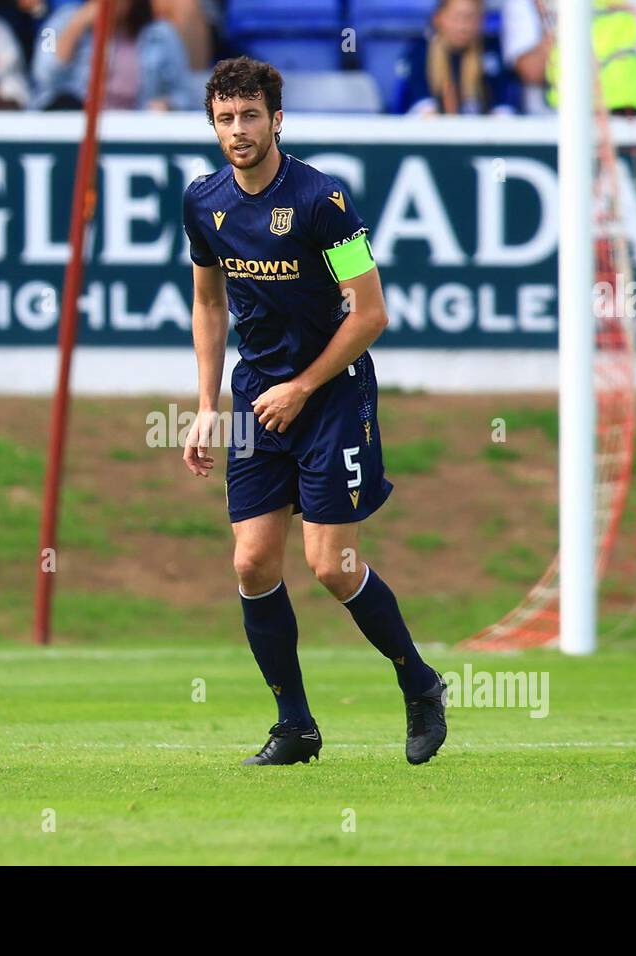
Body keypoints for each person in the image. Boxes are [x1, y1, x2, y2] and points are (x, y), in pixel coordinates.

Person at [180, 57, 448, 767]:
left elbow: (371, 313)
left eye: (249, 117)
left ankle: (420, 684)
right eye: (224, 119)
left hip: (331, 396)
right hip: (254, 399)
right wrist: (207, 405)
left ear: (276, 120)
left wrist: (301, 385)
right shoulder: (203, 203)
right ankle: (294, 726)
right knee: (251, 562)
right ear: (212, 125)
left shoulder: (322, 201)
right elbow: (208, 304)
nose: (237, 131)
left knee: (331, 566)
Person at [502, 0, 636, 116]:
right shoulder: (531, 4)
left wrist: (632, 17)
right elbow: (531, 70)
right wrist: (558, 26)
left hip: (633, 113)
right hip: (563, 116)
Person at [31, 0, 188, 111]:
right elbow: (44, 74)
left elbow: (183, 93)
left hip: (136, 126)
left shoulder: (161, 34)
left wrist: (167, 106)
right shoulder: (59, 22)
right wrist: (76, 26)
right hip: (75, 123)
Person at [391, 0, 513, 116]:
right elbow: (418, 104)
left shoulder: (491, 52)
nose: (463, 26)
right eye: (456, 18)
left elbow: (502, 107)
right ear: (438, 18)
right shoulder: (420, 52)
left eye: (471, 18)